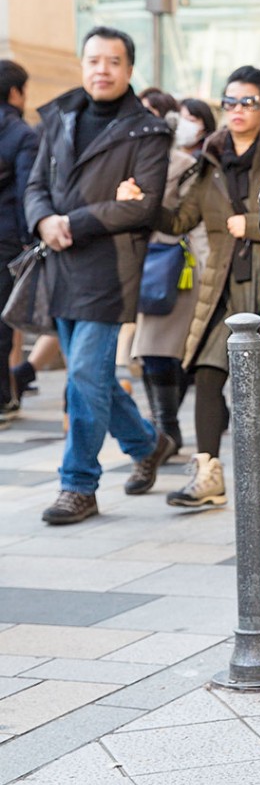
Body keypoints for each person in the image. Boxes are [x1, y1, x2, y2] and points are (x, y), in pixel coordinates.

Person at [124, 67, 260, 508]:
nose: (237, 110)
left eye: (248, 102)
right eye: (230, 101)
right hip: (221, 285)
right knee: (207, 372)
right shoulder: (211, 160)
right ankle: (208, 475)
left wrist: (252, 225)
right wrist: (144, 204)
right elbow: (181, 220)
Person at [24, 27, 175, 525]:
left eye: (113, 61)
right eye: (93, 60)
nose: (102, 70)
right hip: (60, 263)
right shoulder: (59, 116)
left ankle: (79, 485)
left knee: (85, 375)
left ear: (129, 69)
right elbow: (35, 185)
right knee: (91, 378)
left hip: (110, 267)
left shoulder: (148, 131)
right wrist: (44, 221)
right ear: (82, 64)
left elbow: (144, 206)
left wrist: (72, 222)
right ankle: (148, 444)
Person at [129, 89, 208, 452]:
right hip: (136, 264)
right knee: (148, 351)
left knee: (160, 349)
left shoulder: (183, 164)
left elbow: (195, 220)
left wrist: (205, 265)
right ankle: (165, 429)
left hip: (172, 266)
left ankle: (167, 428)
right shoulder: (129, 159)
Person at [0, 60, 40, 421]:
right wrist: (30, 239)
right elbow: (29, 190)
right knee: (3, 322)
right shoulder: (22, 134)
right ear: (15, 92)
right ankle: (3, 398)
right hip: (7, 240)